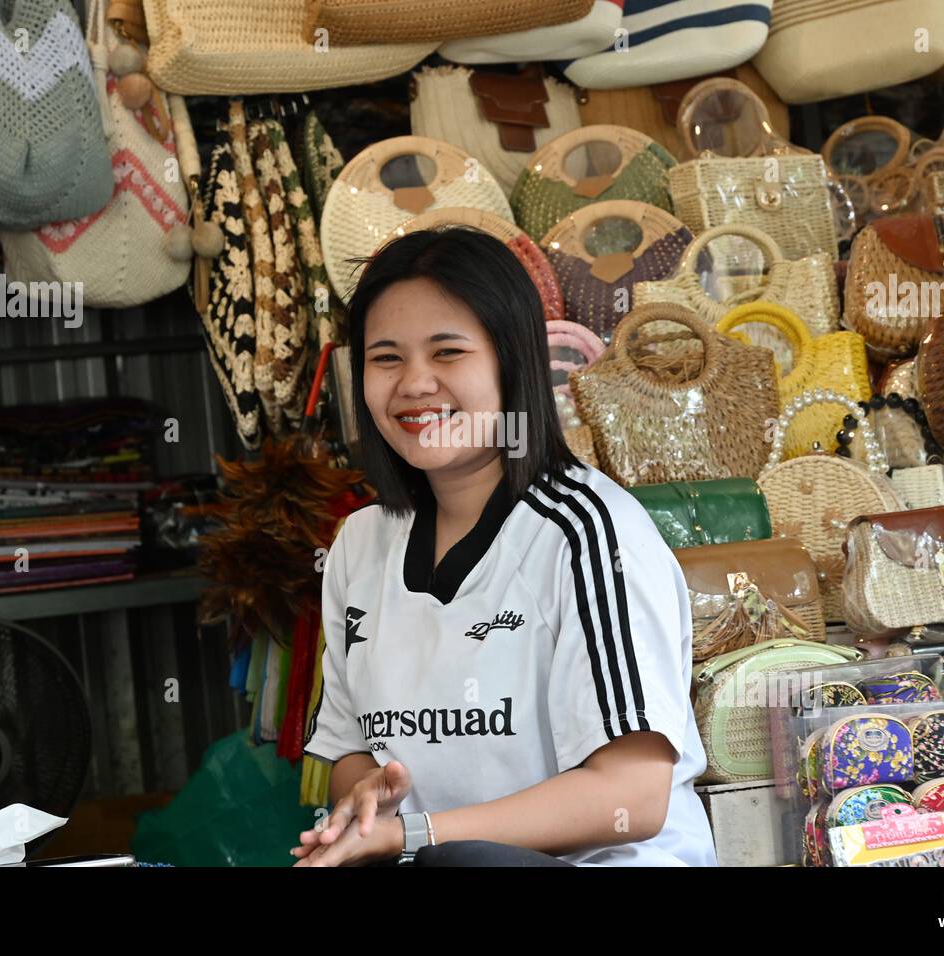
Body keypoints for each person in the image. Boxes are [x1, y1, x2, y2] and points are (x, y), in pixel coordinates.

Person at [294, 227, 716, 867]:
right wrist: (366, 809)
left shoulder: (590, 532)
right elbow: (350, 751)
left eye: (448, 353)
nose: (414, 383)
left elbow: (632, 795)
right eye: (386, 358)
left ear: (512, 362)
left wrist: (417, 834)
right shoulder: (359, 544)